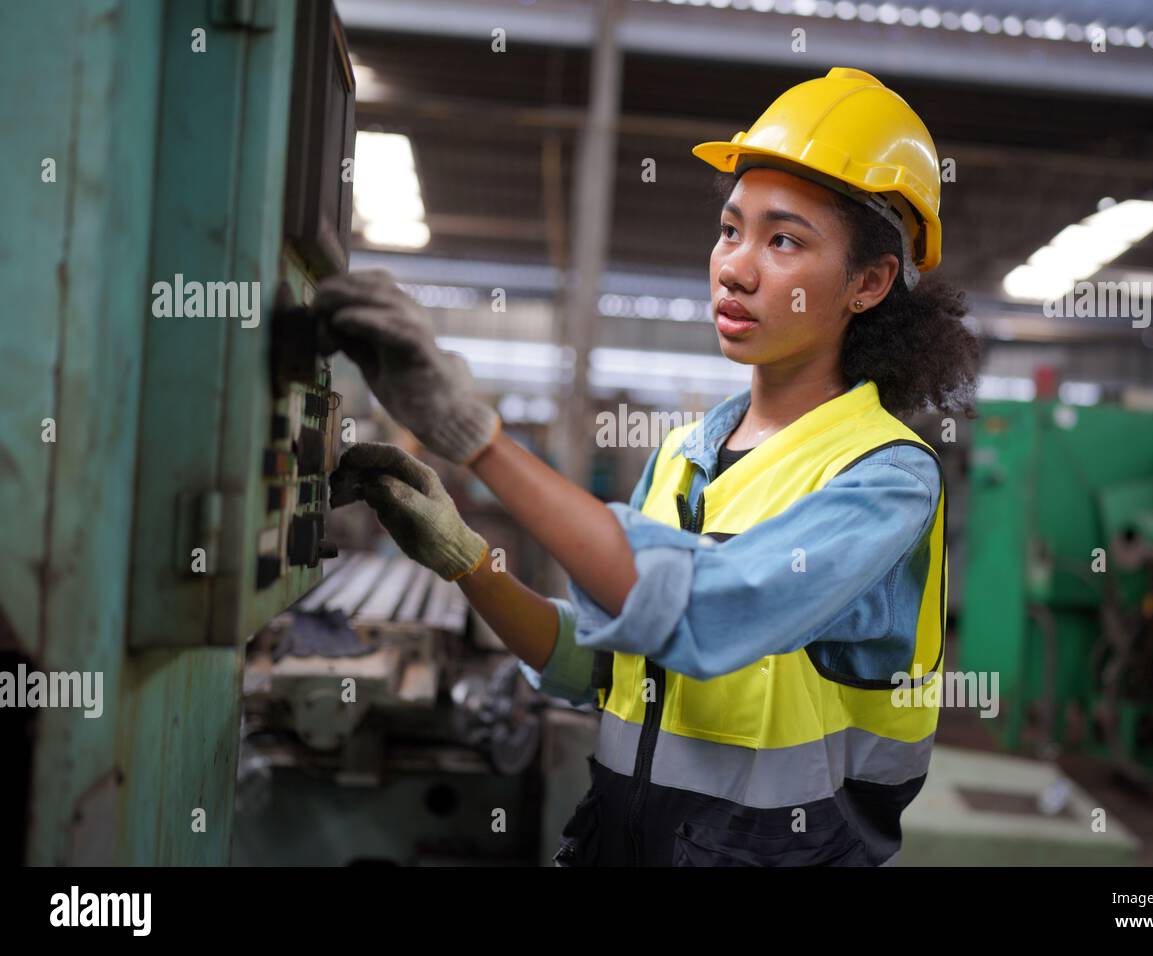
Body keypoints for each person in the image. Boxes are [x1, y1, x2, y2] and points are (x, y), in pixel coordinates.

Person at [319, 67, 981, 866]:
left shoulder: (885, 479)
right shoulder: (680, 455)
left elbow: (700, 613)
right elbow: (598, 665)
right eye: (731, 228)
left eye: (784, 240)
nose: (735, 267)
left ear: (869, 283)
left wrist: (479, 440)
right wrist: (467, 562)